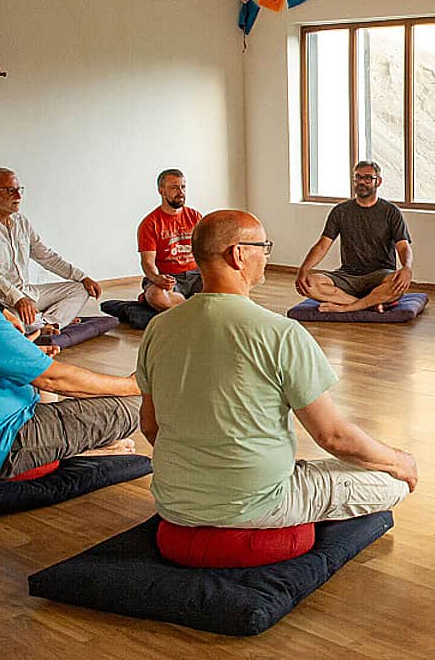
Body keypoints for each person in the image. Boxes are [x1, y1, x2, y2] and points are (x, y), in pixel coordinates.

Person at [136, 210, 417, 528]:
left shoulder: (158, 328)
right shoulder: (281, 333)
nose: (267, 256)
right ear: (238, 254)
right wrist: (399, 461)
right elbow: (333, 437)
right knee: (393, 481)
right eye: (263, 246)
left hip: (173, 503)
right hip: (260, 505)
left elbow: (150, 426)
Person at [0, 187, 141, 481]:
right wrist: (132, 385)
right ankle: (75, 452)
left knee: (41, 377)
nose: (16, 193)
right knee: (129, 409)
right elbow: (53, 378)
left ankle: (75, 447)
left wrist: (19, 347)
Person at [0, 168, 101, 330]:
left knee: (80, 289)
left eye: (19, 189)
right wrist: (17, 299)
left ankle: (46, 323)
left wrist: (82, 277)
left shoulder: (21, 221)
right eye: (11, 191)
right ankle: (44, 323)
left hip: (26, 293)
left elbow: (46, 256)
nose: (18, 196)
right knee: (3, 322)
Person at [295, 161, 413, 313]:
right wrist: (303, 270)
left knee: (397, 283)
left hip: (380, 276)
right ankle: (368, 304)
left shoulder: (391, 212)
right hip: (347, 276)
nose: (362, 182)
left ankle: (345, 308)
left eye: (368, 178)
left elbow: (403, 246)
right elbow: (322, 245)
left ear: (378, 181)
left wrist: (407, 268)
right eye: (358, 177)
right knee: (309, 283)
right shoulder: (340, 211)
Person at [138, 168, 203, 311]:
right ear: (161, 190)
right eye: (174, 187)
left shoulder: (195, 216)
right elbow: (147, 262)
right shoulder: (150, 223)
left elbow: (205, 250)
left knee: (227, 289)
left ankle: (183, 307)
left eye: (183, 187)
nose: (181, 192)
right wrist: (156, 278)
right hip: (168, 279)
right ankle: (194, 305)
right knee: (157, 296)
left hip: (196, 275)